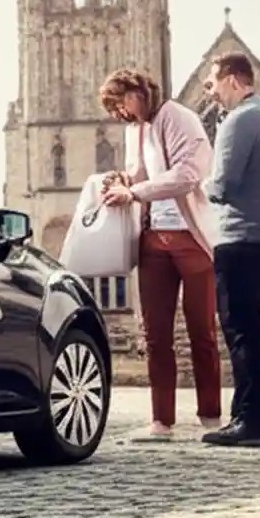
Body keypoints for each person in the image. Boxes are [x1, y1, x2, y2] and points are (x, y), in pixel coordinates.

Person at [98, 68, 222, 442]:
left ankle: (212, 418)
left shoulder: (180, 118)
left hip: (190, 239)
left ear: (138, 91)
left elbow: (188, 175)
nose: (120, 114)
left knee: (202, 331)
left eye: (121, 104)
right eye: (114, 110)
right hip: (153, 241)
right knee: (155, 335)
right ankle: (161, 421)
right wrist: (121, 181)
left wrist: (134, 193)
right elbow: (139, 175)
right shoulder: (134, 128)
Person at [198, 52, 260, 448]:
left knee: (241, 332)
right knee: (250, 330)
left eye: (213, 84)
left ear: (233, 80)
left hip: (240, 237)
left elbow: (223, 186)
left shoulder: (240, 119)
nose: (211, 93)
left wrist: (200, 184)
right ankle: (249, 417)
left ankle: (252, 422)